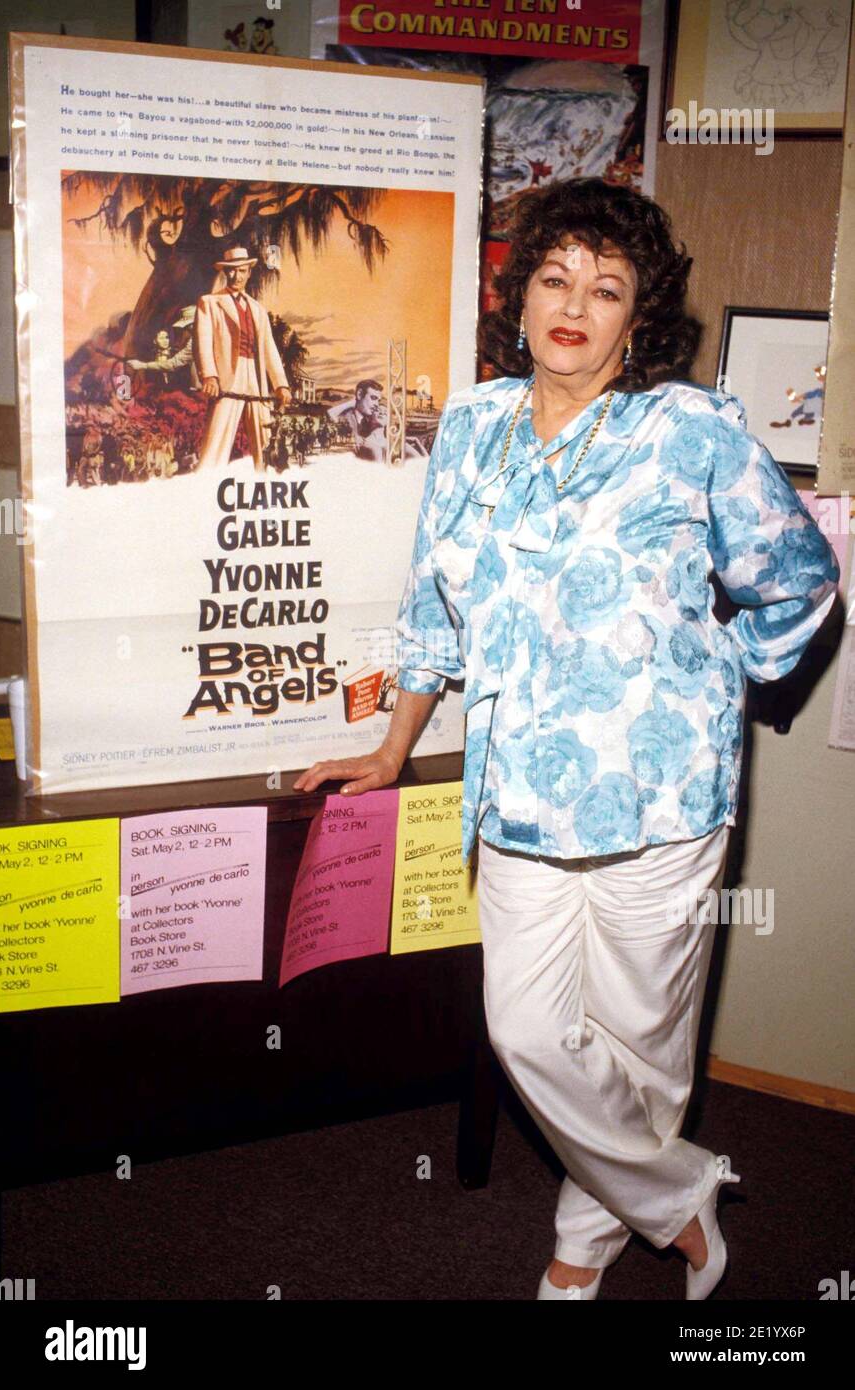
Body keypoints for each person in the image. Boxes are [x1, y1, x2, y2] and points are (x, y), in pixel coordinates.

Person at [291, 177, 840, 1300]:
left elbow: (798, 580)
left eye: (605, 286)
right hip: (519, 800)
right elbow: (431, 604)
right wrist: (393, 744)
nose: (573, 305)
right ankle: (680, 1196)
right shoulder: (475, 425)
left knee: (640, 1045)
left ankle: (578, 1252)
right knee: (531, 1032)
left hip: (660, 798)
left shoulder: (689, 430)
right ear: (522, 293)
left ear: (640, 315)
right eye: (553, 278)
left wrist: (716, 678)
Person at [193, 246, 290, 471]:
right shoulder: (209, 302)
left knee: (265, 438)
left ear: (249, 272)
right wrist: (209, 376)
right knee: (217, 438)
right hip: (228, 374)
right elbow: (203, 342)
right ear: (226, 273)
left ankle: (266, 483)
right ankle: (204, 484)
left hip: (255, 377)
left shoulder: (258, 309)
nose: (237, 276)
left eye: (242, 271)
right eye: (232, 271)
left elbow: (269, 349)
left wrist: (280, 384)